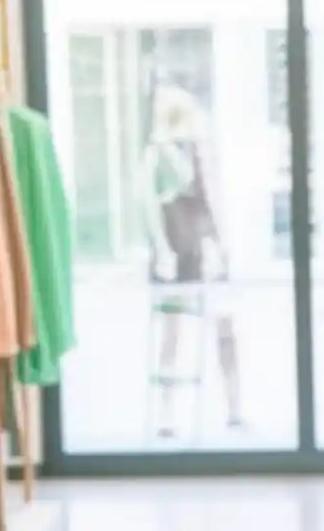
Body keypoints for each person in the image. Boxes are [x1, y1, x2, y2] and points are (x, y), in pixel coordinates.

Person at [142, 83, 243, 437]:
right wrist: (163, 251)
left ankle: (235, 407)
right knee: (174, 333)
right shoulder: (162, 153)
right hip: (180, 249)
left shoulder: (196, 151)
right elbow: (153, 204)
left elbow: (210, 199)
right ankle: (168, 414)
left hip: (200, 249)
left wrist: (221, 242)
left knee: (223, 329)